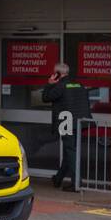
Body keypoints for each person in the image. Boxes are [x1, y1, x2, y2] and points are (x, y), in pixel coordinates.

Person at [42, 60, 92, 191]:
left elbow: (46, 98)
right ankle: (58, 178)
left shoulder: (60, 86)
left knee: (70, 151)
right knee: (69, 151)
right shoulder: (78, 84)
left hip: (66, 122)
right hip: (79, 121)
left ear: (58, 73)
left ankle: (76, 184)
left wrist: (49, 84)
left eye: (54, 72)